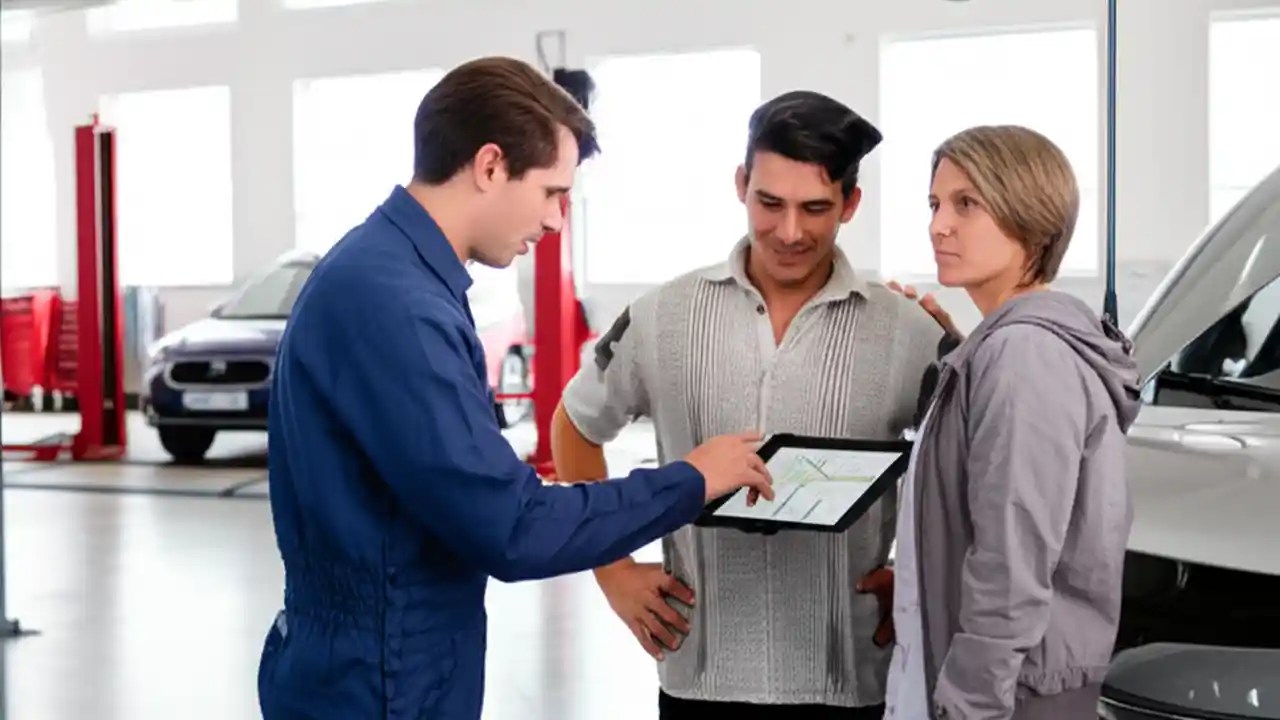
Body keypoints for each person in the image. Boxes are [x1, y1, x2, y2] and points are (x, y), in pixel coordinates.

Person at [254, 56, 776, 720]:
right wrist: (690, 481)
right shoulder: (396, 305)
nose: (557, 220)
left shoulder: (387, 273)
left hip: (369, 659)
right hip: (381, 683)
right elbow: (512, 526)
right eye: (552, 191)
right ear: (491, 165)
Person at [550, 90, 947, 718]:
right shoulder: (662, 317)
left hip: (849, 683)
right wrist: (613, 571)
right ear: (741, 184)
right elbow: (574, 424)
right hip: (700, 678)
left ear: (851, 202)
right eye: (770, 203)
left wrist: (929, 583)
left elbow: (979, 467)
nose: (790, 232)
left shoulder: (907, 331)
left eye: (815, 208)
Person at [884, 125, 1141, 720]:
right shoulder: (1006, 348)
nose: (937, 224)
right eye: (934, 203)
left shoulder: (1023, 355)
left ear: (1030, 218)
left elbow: (1012, 556)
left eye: (965, 204)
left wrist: (970, 705)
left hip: (1002, 700)